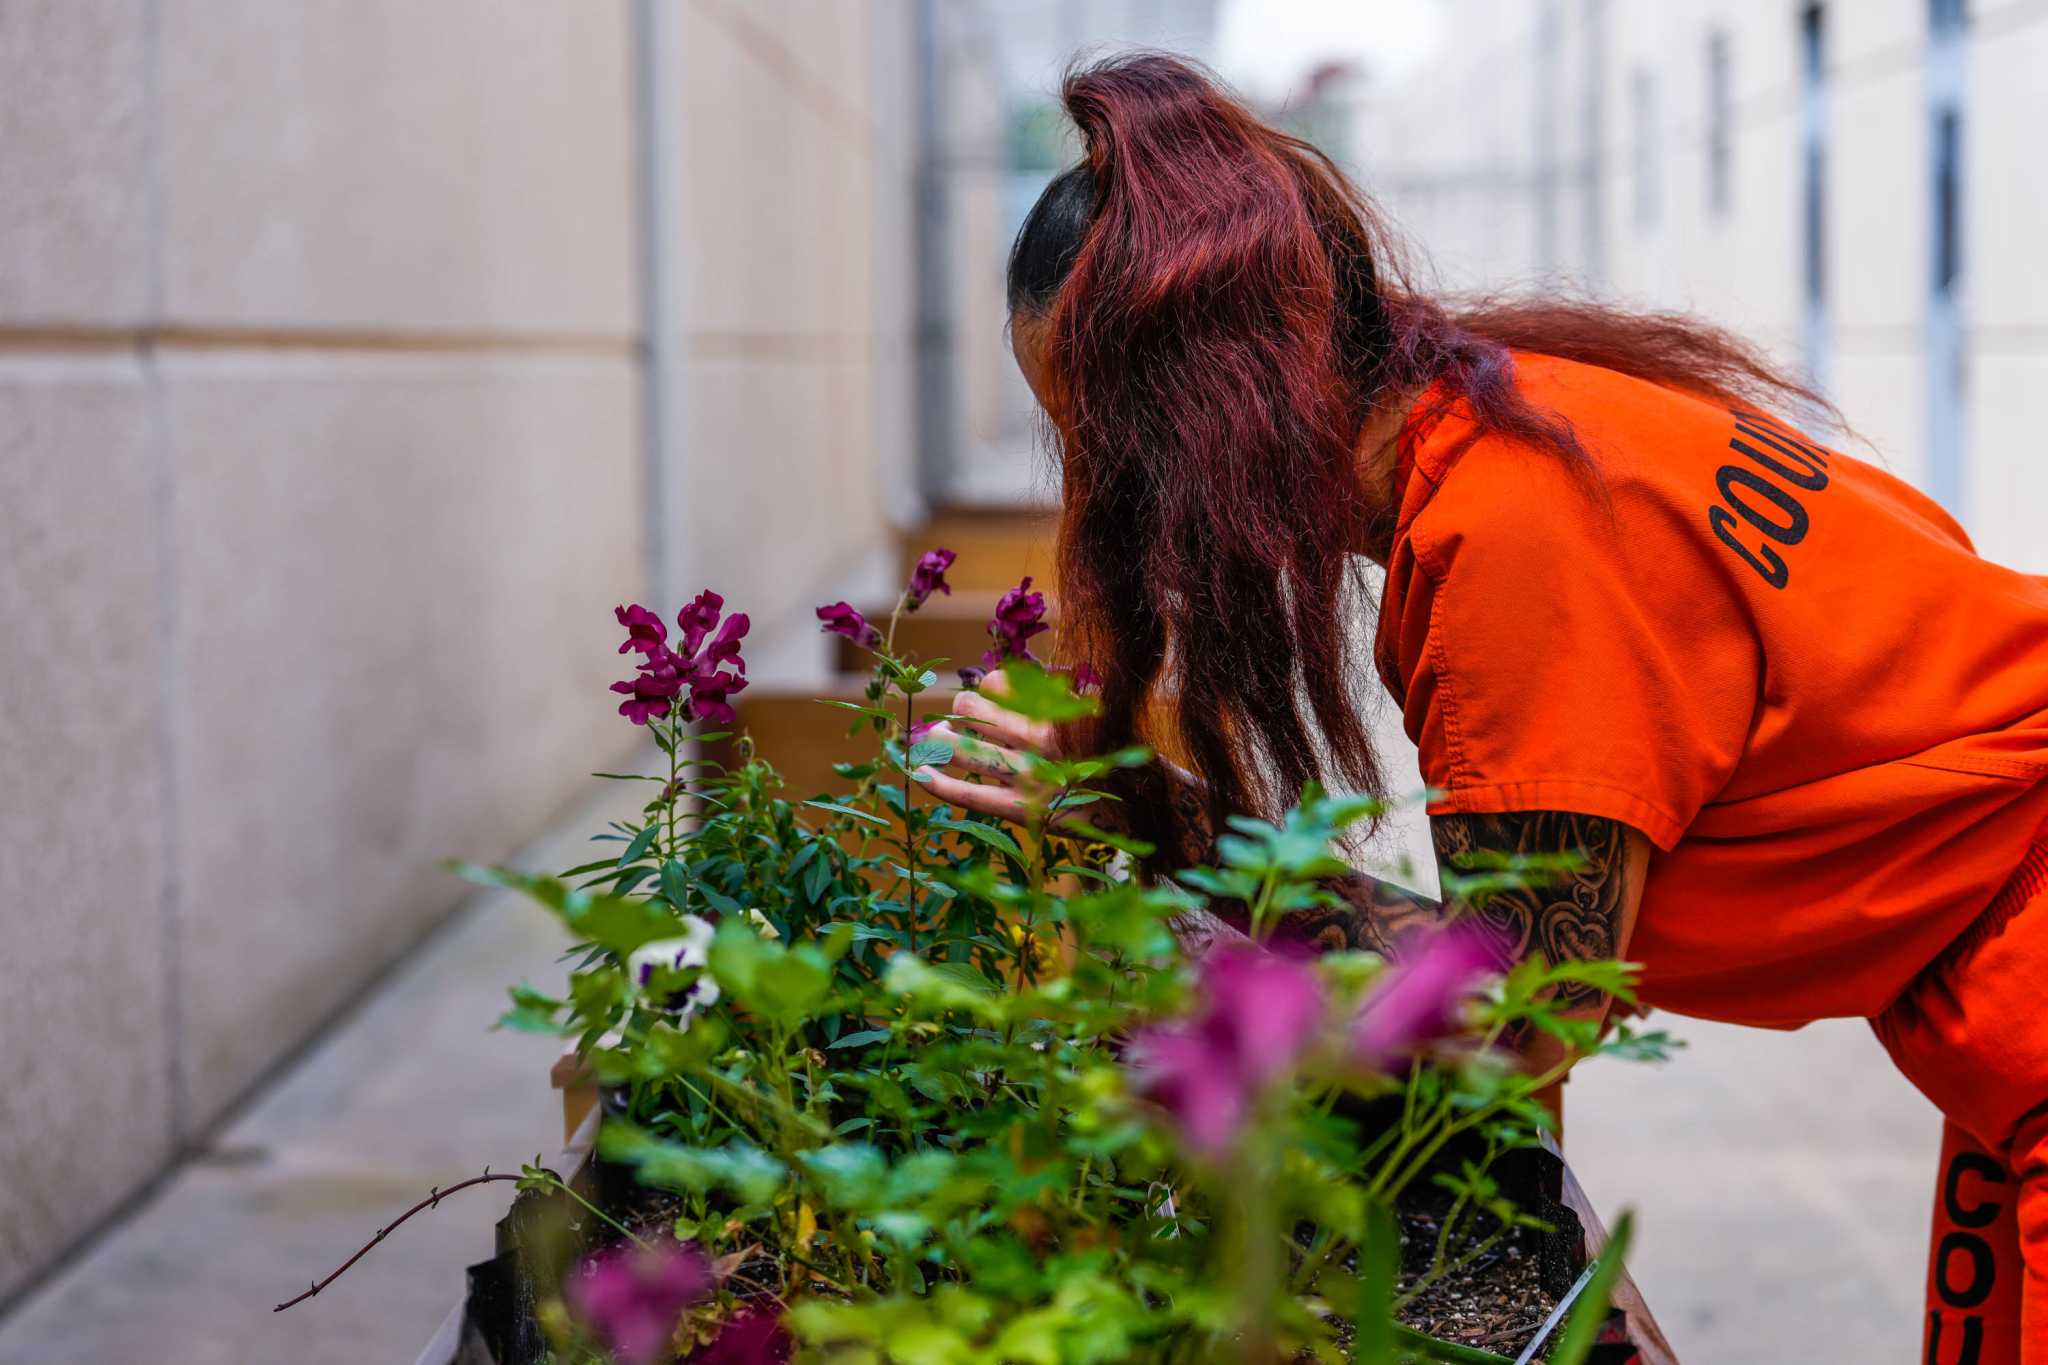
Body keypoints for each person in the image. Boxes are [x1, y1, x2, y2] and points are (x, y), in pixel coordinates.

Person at [913, 53, 2048, 1363]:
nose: (1112, 515)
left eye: (1117, 451)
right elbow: (1502, 959)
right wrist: (1166, 815)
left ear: (1223, 405)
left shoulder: (1512, 539)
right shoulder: (1516, 416)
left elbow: (1510, 1041)